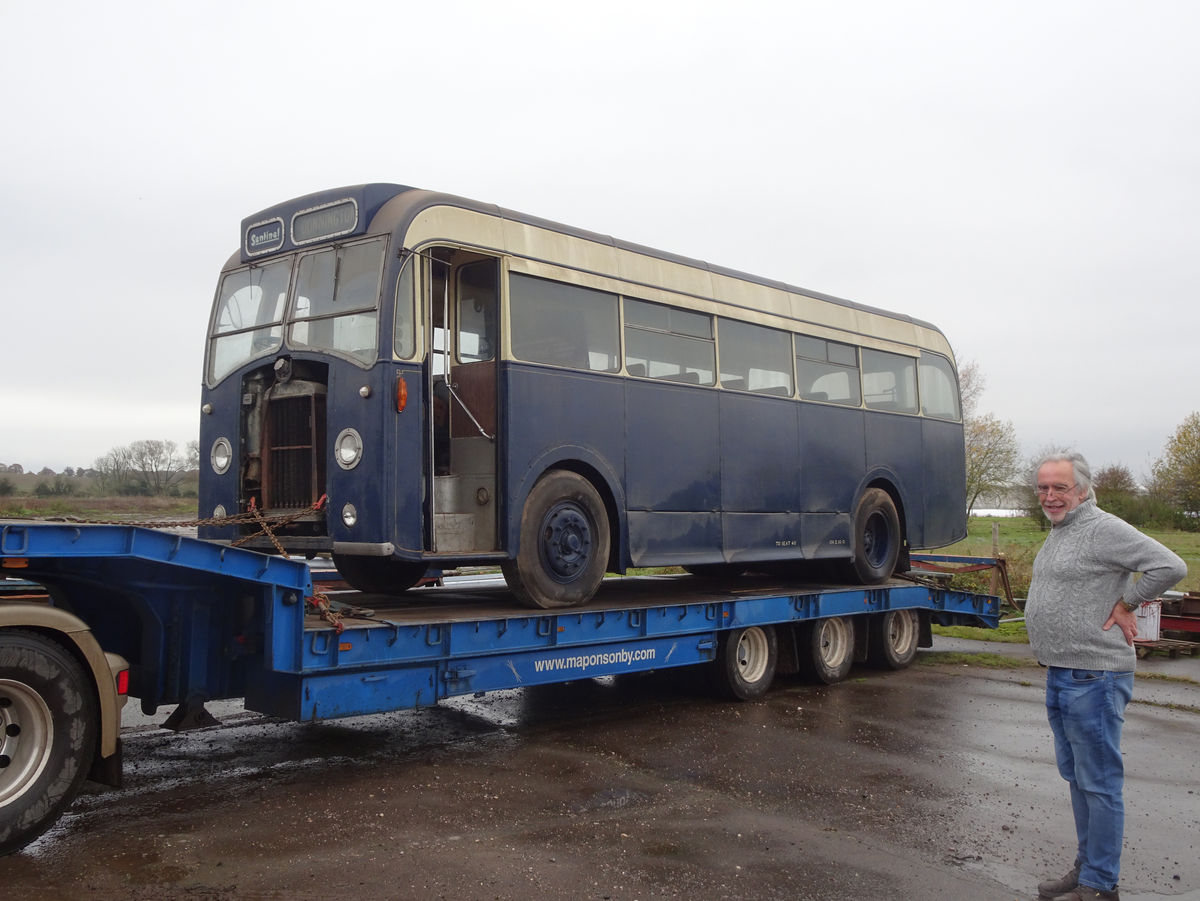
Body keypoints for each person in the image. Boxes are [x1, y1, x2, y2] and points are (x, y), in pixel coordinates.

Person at [1026, 452, 1187, 901]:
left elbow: (1170, 566)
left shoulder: (1103, 528)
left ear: (1082, 490)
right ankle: (1088, 868)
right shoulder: (1061, 530)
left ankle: (1100, 884)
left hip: (1094, 676)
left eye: (1059, 487)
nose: (1050, 496)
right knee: (1079, 778)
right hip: (1063, 672)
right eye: (1043, 487)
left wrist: (1127, 603)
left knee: (1098, 783)